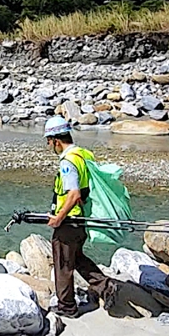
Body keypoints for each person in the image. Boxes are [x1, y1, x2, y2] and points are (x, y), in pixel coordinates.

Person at [44, 116, 117, 318]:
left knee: (63, 263)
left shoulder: (68, 161)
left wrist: (58, 217)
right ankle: (106, 286)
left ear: (56, 140)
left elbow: (74, 193)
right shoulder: (84, 155)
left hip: (70, 220)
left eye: (49, 142)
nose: (49, 146)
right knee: (76, 258)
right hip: (82, 219)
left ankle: (67, 307)